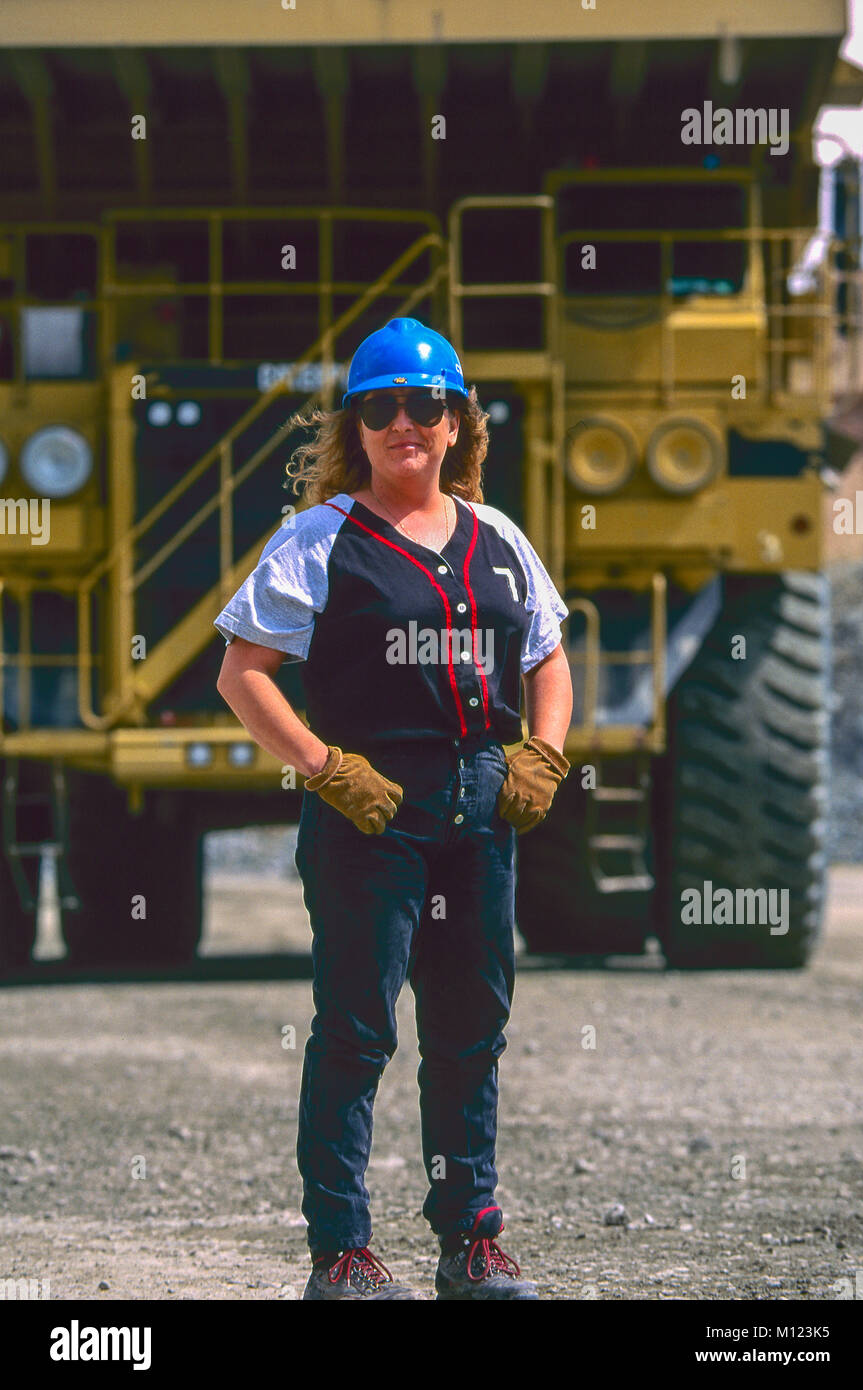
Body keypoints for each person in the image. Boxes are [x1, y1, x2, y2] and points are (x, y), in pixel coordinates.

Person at [213, 317, 572, 1300]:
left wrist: (542, 751)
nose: (403, 423)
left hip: (478, 806)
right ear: (357, 426)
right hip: (369, 813)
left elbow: (547, 653)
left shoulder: (498, 538)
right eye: (381, 407)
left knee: (468, 1031)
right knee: (358, 1031)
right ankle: (342, 1253)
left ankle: (471, 1242)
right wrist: (325, 767)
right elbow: (243, 674)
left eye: (424, 405)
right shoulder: (319, 540)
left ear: (456, 421)